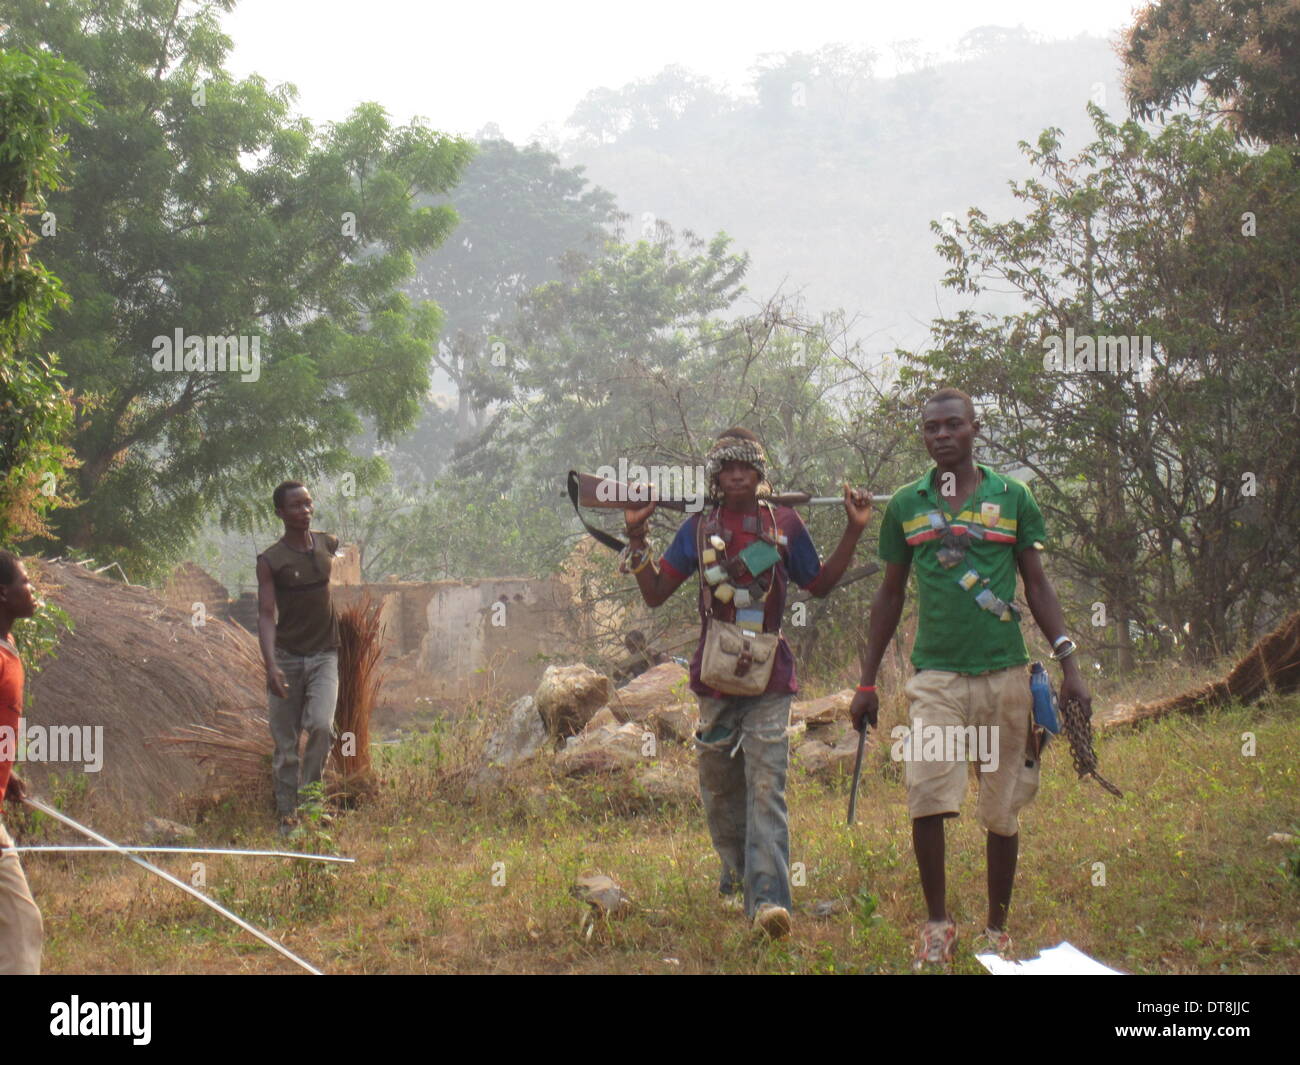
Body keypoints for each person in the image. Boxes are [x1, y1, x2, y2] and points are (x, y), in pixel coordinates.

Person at [850, 388, 1092, 968]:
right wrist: (865, 683)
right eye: (931, 427)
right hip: (935, 679)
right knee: (927, 796)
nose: (940, 435)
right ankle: (937, 924)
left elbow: (1037, 584)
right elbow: (888, 595)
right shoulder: (907, 504)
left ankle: (996, 930)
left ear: (974, 429)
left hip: (1007, 676)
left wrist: (1070, 664)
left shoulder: (1014, 497)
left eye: (951, 425)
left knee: (1002, 808)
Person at [624, 428, 873, 937]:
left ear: (761, 474)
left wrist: (854, 530)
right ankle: (738, 877)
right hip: (714, 677)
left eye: (746, 467)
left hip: (770, 677)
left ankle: (769, 903)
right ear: (715, 476)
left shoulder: (784, 523)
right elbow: (654, 594)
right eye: (726, 468)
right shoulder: (698, 528)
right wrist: (635, 538)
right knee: (719, 790)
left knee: (766, 788)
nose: (737, 476)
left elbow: (819, 583)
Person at [256, 482, 343, 836]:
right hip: (287, 658)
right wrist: (271, 665)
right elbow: (265, 614)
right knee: (287, 744)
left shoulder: (326, 544)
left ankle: (312, 803)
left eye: (308, 504)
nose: (304, 511)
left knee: (322, 726)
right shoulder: (270, 561)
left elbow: (342, 551)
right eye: (295, 506)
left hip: (325, 655)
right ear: (279, 513)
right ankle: (288, 817)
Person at [0, 551, 44, 974]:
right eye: (26, 583)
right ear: (3, 594)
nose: (33, 592)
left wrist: (5, 769)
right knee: (19, 926)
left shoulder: (7, 646)